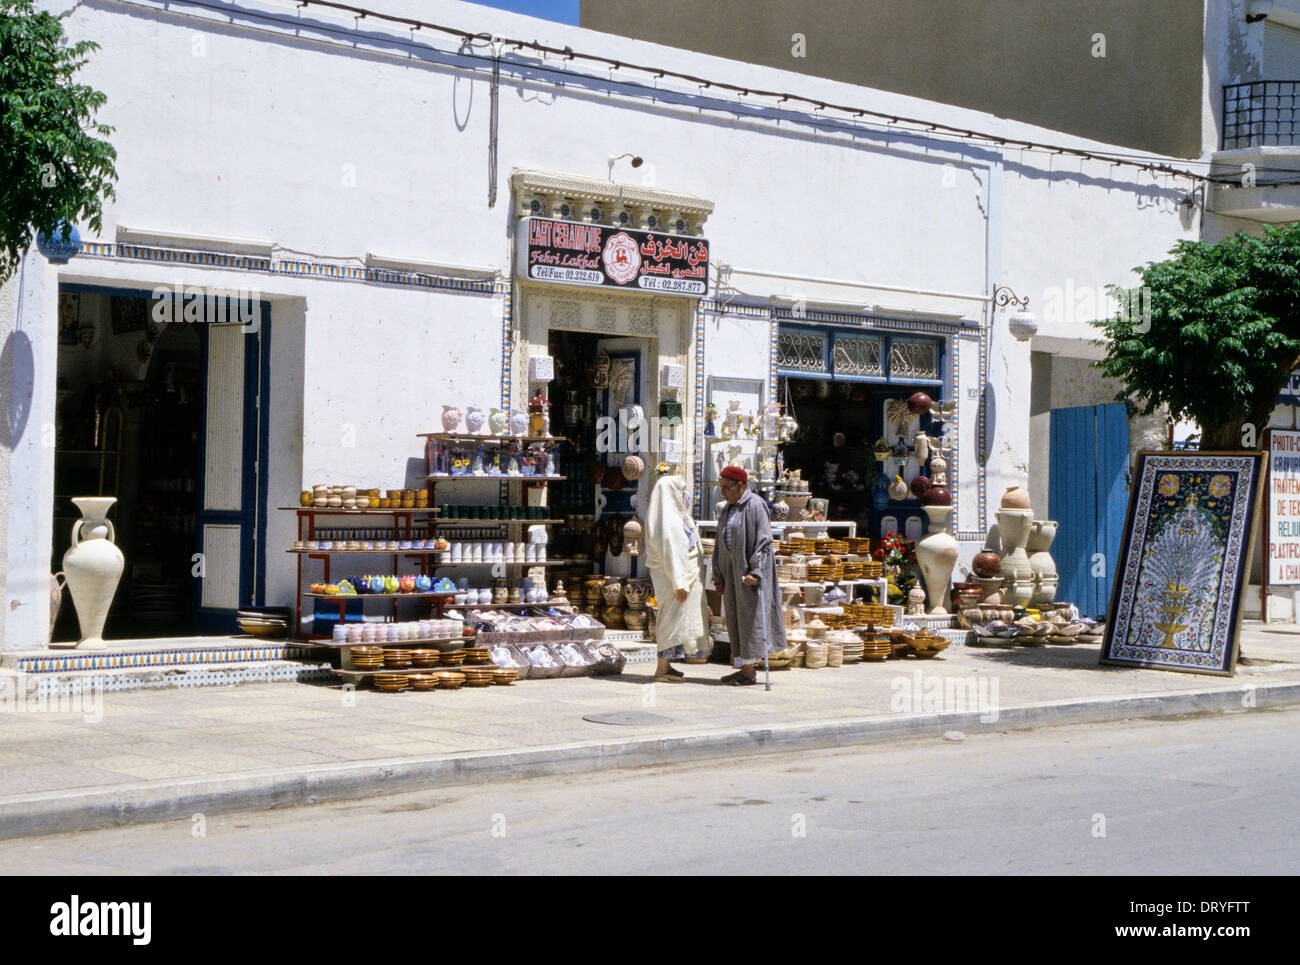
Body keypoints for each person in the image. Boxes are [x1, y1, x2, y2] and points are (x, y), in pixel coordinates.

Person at [712, 465, 786, 685]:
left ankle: (749, 670)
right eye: (721, 488)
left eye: (726, 488)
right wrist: (718, 575)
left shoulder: (756, 506)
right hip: (730, 572)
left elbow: (764, 543)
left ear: (741, 486)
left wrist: (756, 571)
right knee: (734, 618)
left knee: (750, 619)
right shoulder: (726, 509)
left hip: (748, 572)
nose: (723, 492)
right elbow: (719, 544)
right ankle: (742, 666)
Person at [644, 469, 710, 682]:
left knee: (678, 621)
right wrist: (680, 582)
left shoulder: (679, 517)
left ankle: (668, 665)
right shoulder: (667, 521)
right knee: (670, 621)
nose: (684, 496)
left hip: (683, 578)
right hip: (674, 580)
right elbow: (671, 551)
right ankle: (662, 668)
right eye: (681, 491)